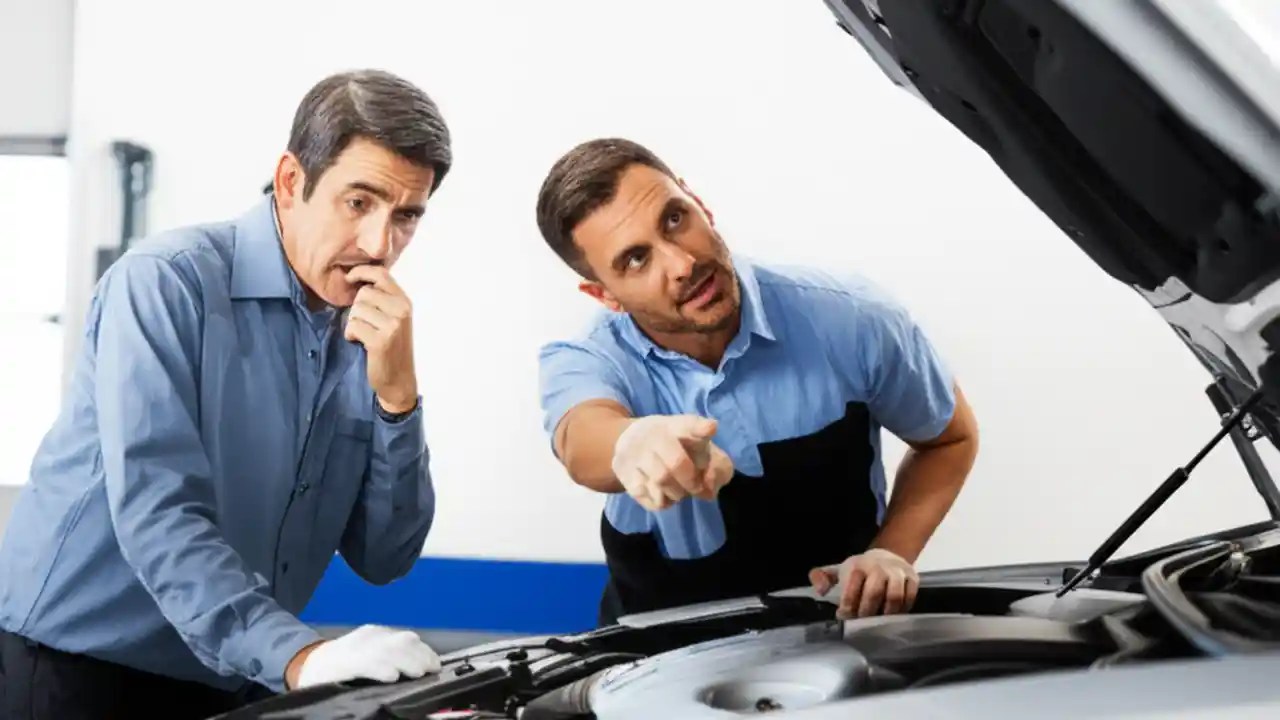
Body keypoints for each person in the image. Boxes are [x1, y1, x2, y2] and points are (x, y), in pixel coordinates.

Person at [0, 69, 449, 719]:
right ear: (293, 182)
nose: (380, 245)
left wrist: (398, 400)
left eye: (406, 216)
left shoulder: (368, 332)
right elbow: (160, 510)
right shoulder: (163, 284)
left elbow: (385, 556)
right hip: (72, 669)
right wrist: (297, 656)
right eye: (360, 203)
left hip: (232, 672)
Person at [535, 138, 980, 626]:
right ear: (605, 295)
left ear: (698, 202)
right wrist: (631, 442)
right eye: (637, 260)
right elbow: (581, 439)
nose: (683, 264)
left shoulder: (853, 319)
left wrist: (891, 553)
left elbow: (950, 438)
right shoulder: (586, 359)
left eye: (675, 219)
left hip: (842, 639)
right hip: (658, 658)